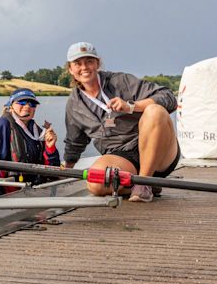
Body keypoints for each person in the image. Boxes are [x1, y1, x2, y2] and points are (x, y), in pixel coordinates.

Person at [62, 41, 180, 202]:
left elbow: (169, 97)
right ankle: (142, 183)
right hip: (121, 158)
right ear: (70, 68)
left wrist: (131, 106)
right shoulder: (74, 103)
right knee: (95, 184)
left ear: (97, 63)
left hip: (155, 150)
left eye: (89, 61)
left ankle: (144, 182)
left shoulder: (120, 81)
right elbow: (75, 142)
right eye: (78, 63)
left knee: (155, 110)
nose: (84, 67)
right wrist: (65, 169)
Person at [0, 87, 60, 193]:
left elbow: (53, 171)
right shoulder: (1, 126)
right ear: (11, 105)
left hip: (35, 190)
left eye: (32, 104)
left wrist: (51, 148)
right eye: (21, 102)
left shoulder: (38, 131)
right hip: (9, 193)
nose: (27, 106)